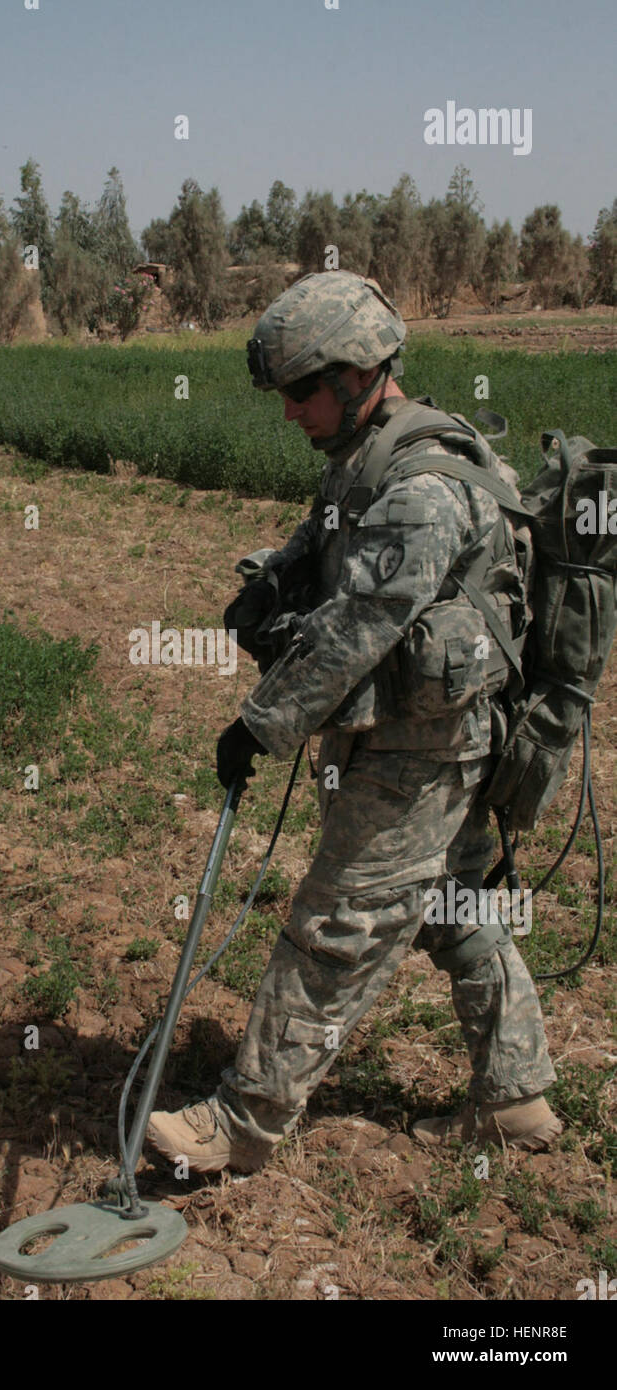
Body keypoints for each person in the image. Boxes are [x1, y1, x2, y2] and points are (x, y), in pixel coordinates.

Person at [146, 270, 562, 1175]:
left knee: (337, 924)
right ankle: (515, 1095)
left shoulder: (423, 487)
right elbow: (328, 543)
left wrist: (259, 725)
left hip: (421, 752)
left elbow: (359, 627)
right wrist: (273, 580)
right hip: (431, 737)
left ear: (359, 373)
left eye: (302, 390)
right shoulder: (369, 454)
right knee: (451, 907)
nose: (290, 411)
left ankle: (245, 1121)